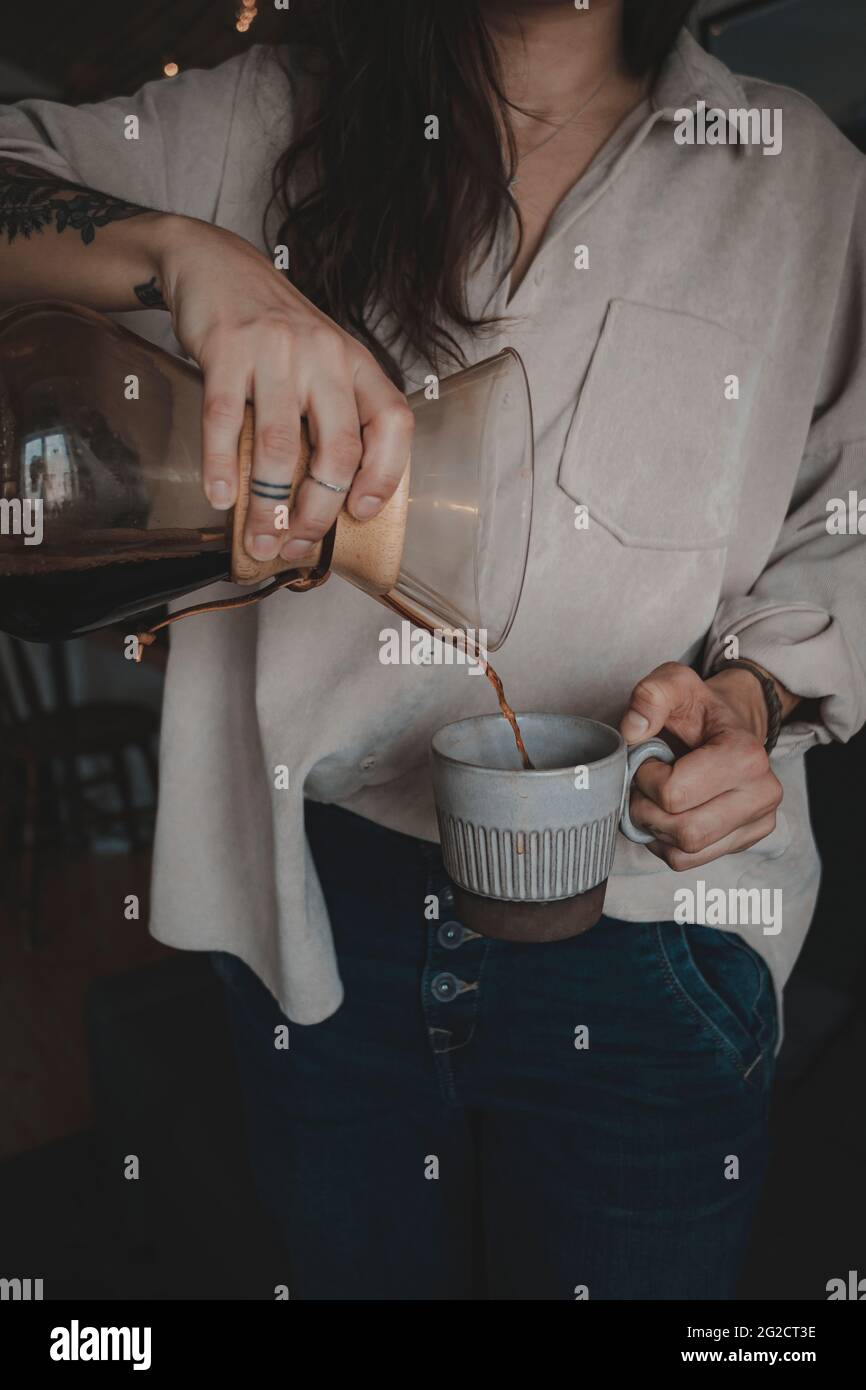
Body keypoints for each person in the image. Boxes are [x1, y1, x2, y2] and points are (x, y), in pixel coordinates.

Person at [0, 0, 863, 1300]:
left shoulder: (795, 174)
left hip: (646, 924)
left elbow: (846, 517)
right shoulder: (258, 118)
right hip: (319, 911)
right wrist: (182, 254)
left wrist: (751, 691)